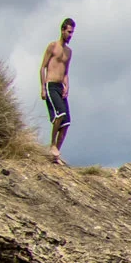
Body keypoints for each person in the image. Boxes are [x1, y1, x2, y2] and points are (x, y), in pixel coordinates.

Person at [38, 18, 74, 164]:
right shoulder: (53, 46)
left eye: (72, 33)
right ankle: (52, 145)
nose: (71, 35)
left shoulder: (69, 52)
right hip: (51, 85)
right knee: (60, 114)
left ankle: (55, 154)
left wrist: (67, 86)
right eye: (69, 32)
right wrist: (42, 87)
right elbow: (43, 67)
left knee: (66, 122)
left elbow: (66, 72)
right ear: (62, 30)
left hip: (60, 87)